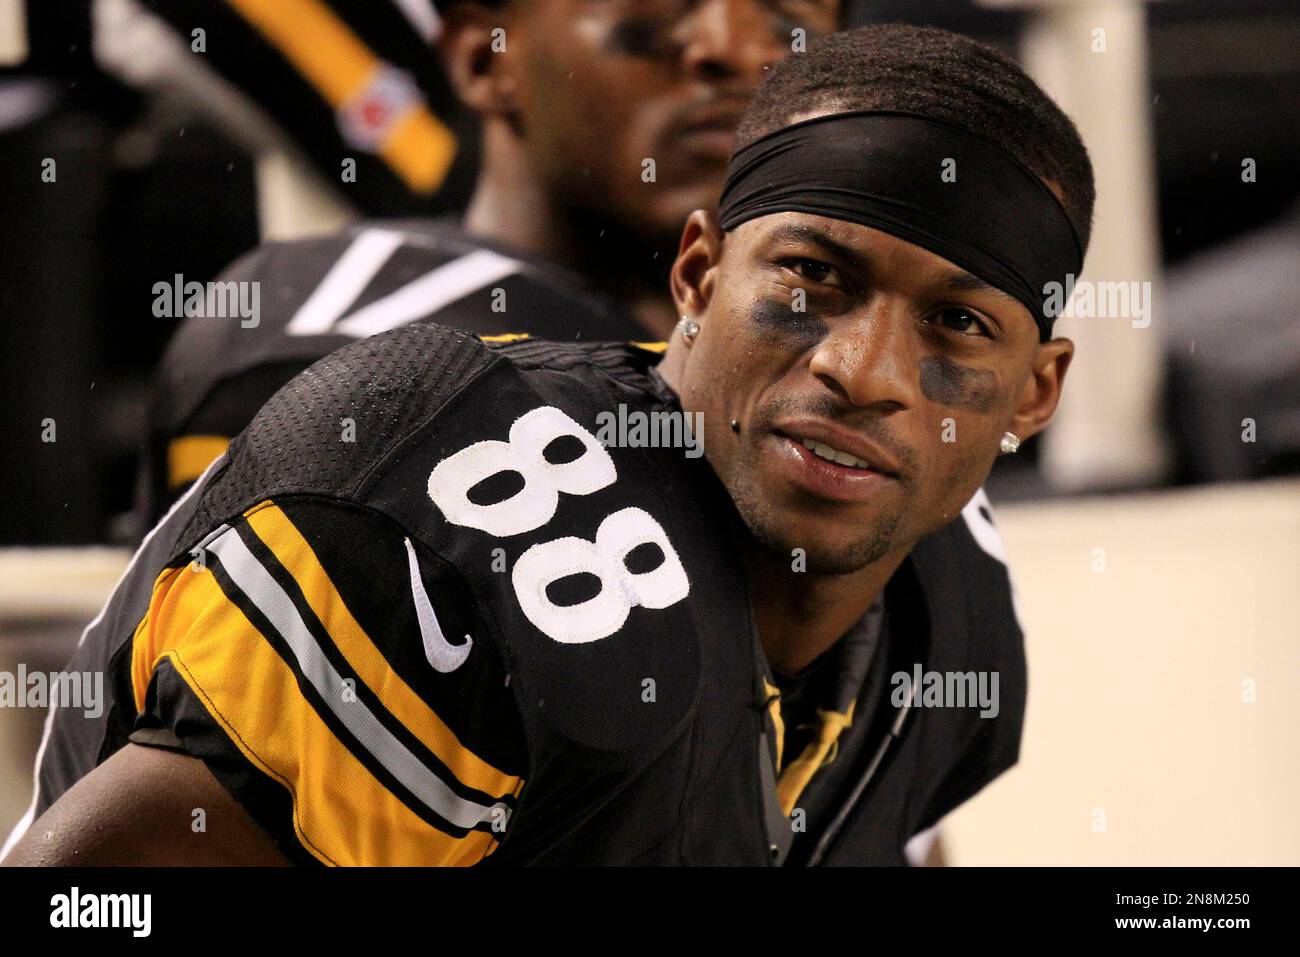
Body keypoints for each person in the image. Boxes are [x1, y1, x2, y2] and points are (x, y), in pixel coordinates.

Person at [3, 24, 1093, 866]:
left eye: (957, 324)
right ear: (699, 278)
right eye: (812, 279)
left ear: (1034, 396)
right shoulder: (482, 508)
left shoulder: (950, 603)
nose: (862, 373)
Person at [141, 0, 842, 529]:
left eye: (788, 17)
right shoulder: (352, 329)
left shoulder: (862, 360)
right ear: (485, 59)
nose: (737, 47)